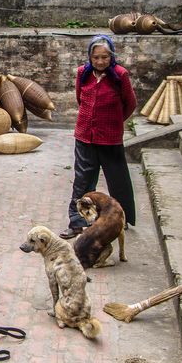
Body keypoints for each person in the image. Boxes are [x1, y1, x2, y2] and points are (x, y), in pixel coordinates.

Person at [60, 35, 137, 239]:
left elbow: (130, 104)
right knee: (82, 182)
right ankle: (77, 223)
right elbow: (80, 99)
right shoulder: (82, 74)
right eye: (96, 58)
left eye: (105, 57)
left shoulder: (121, 75)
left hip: (110, 138)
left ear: (111, 57)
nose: (101, 61)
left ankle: (122, 220)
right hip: (85, 137)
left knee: (117, 180)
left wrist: (114, 121)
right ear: (90, 58)